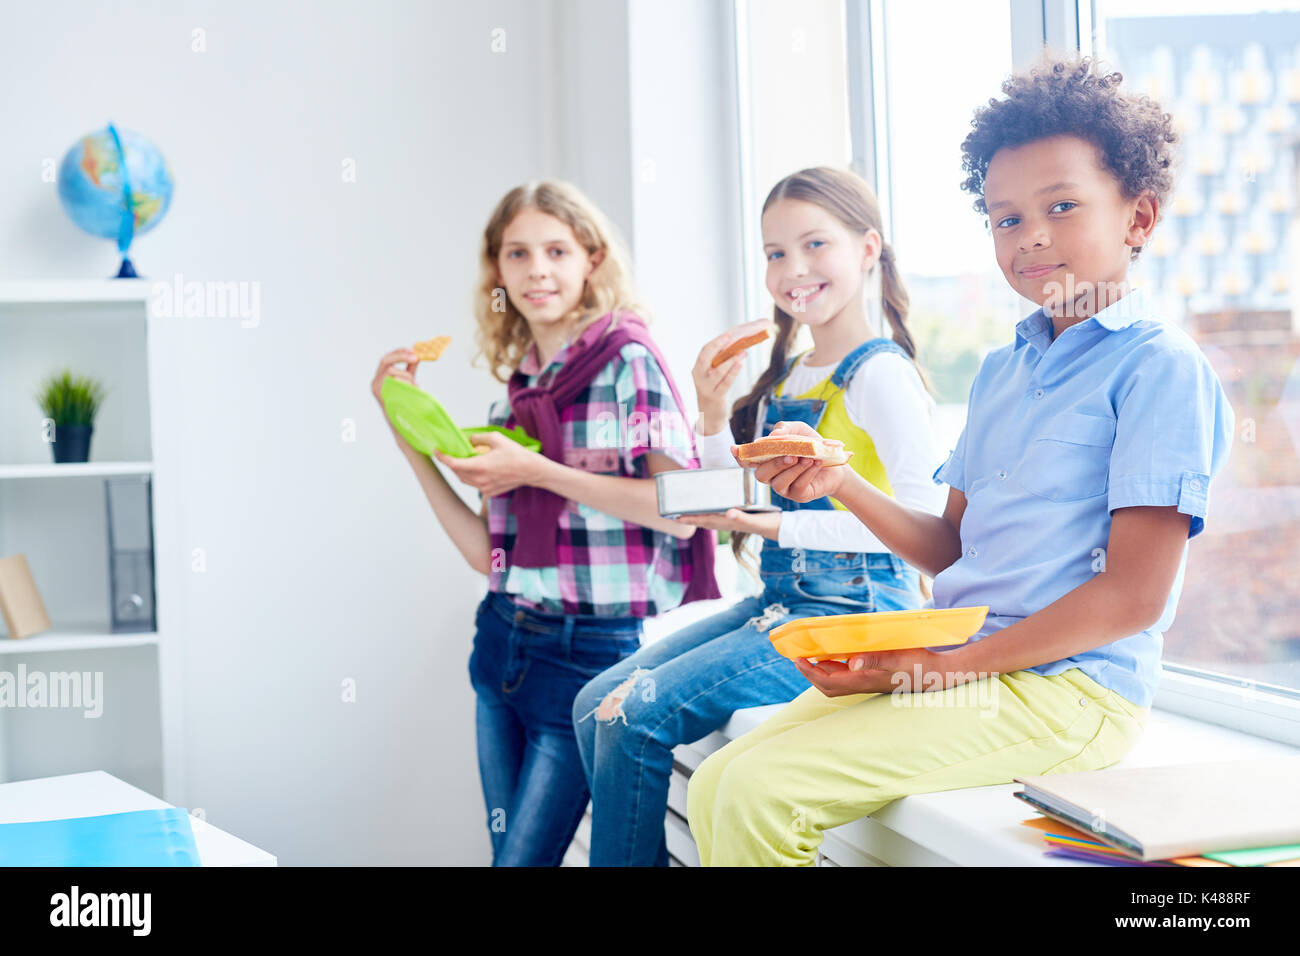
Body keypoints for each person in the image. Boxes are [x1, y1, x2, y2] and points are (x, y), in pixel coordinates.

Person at [686, 56, 1235, 866]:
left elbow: (1131, 599)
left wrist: (948, 669)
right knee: (715, 784)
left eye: (1062, 206)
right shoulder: (1001, 372)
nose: (1032, 236)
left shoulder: (1161, 368)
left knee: (764, 792)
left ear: (1139, 218)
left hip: (1072, 692)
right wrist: (843, 484)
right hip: (975, 661)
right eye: (1006, 218)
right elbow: (952, 550)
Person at [572, 167, 943, 866]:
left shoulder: (880, 375)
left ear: (868, 250)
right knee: (596, 705)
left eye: (813, 245)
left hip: (852, 614)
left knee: (630, 721)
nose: (792, 269)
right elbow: (735, 499)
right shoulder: (795, 372)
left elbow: (920, 525)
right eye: (775, 252)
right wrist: (711, 410)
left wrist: (770, 526)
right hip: (778, 603)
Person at [371, 179, 717, 866]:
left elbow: (684, 514)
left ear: (591, 258)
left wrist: (538, 473)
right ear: (496, 271)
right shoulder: (520, 394)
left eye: (556, 250)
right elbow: (483, 553)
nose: (537, 270)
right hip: (501, 645)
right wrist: (404, 430)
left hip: (589, 656)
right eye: (517, 254)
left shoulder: (628, 363)